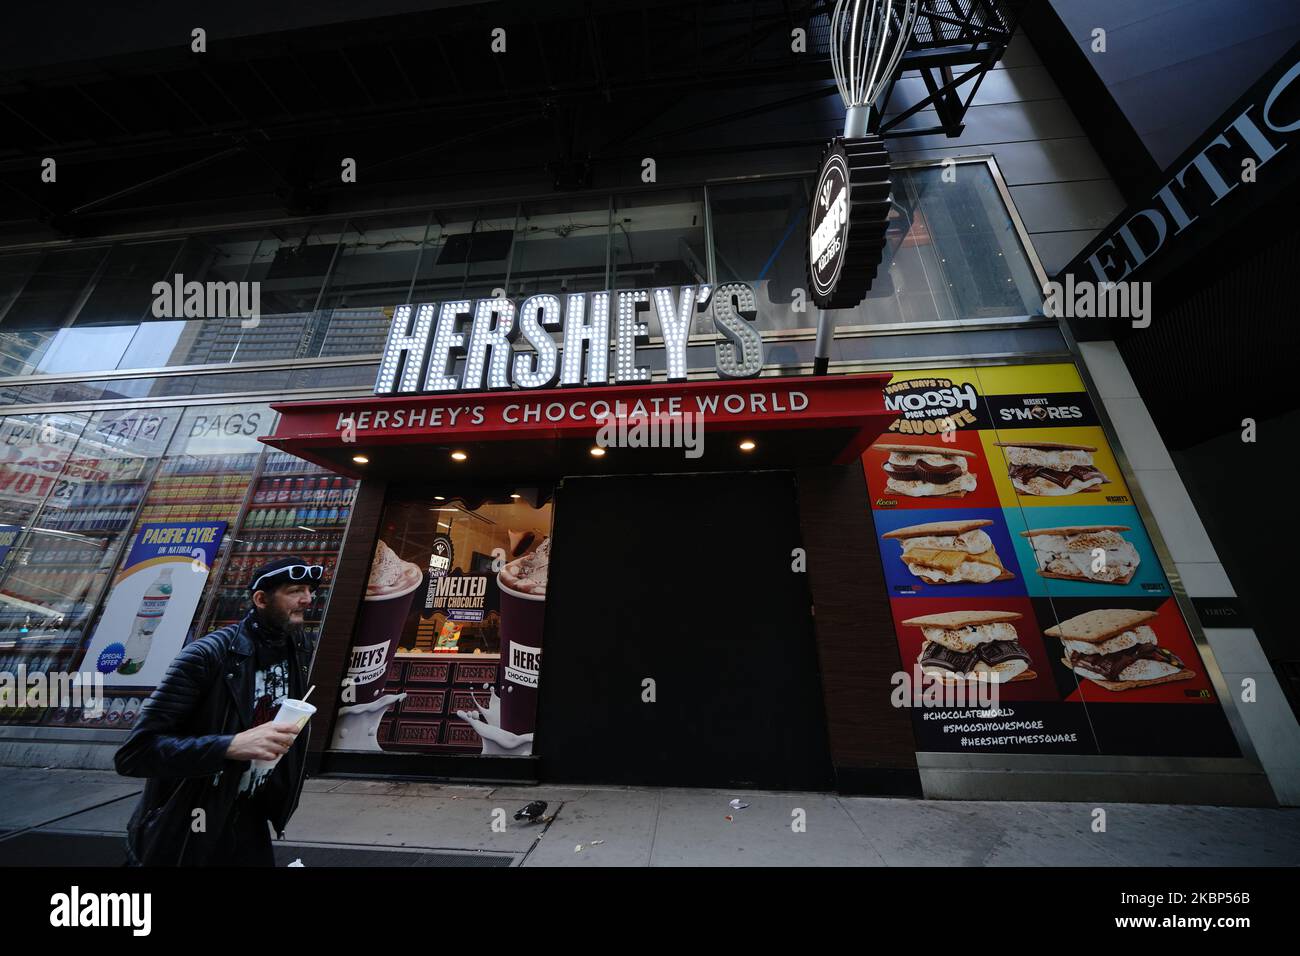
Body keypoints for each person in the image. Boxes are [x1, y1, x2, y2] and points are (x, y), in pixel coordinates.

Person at [115, 557, 322, 866]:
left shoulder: (297, 647)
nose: (307, 599)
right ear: (261, 599)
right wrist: (229, 746)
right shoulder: (206, 656)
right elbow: (135, 754)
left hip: (249, 814)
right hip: (190, 819)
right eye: (295, 591)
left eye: (308, 590)